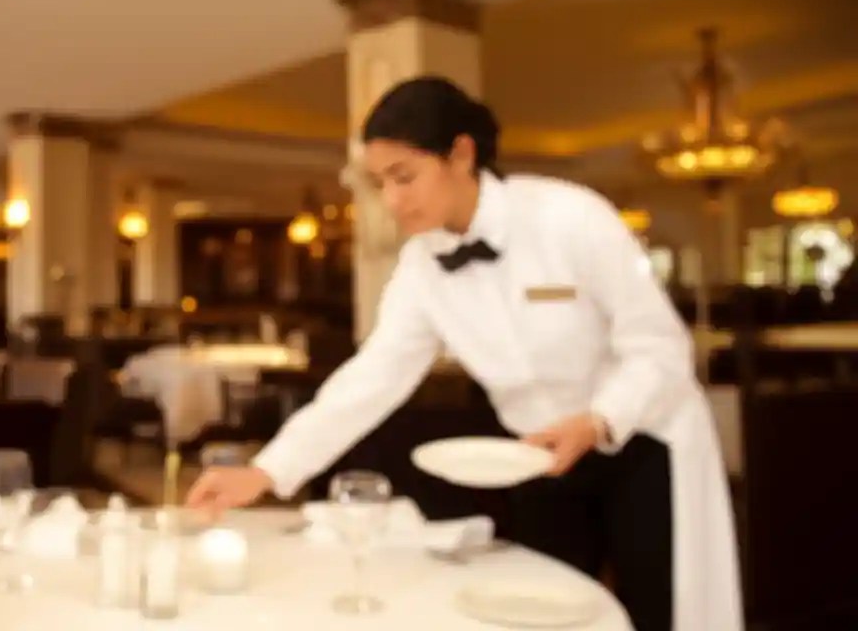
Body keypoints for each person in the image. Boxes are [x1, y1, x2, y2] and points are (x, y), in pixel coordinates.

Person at [185, 77, 742, 631]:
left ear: (461, 153)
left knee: (661, 612)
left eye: (405, 177)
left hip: (642, 441)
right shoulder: (421, 267)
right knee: (546, 612)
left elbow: (659, 347)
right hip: (537, 456)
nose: (392, 201)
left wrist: (599, 420)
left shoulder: (569, 217)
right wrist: (264, 470)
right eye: (381, 183)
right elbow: (373, 377)